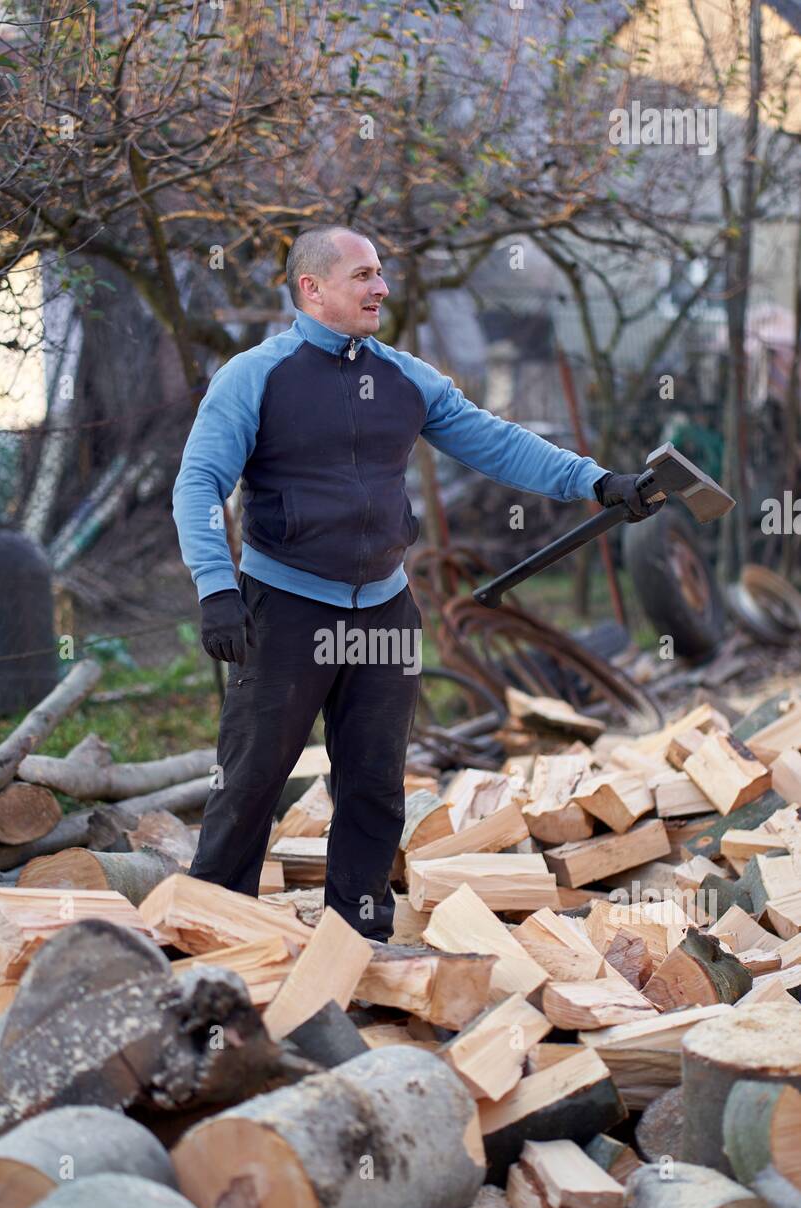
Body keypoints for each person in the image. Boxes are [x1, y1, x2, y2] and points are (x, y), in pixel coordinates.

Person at [172, 225, 657, 941]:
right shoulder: (255, 376)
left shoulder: (403, 376)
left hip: (386, 609)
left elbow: (500, 442)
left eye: (381, 272)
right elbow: (198, 484)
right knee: (248, 783)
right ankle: (208, 939)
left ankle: (357, 938)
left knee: (373, 784)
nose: (381, 287)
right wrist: (216, 587)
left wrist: (597, 481)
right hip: (286, 607)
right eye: (363, 275)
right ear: (312, 288)